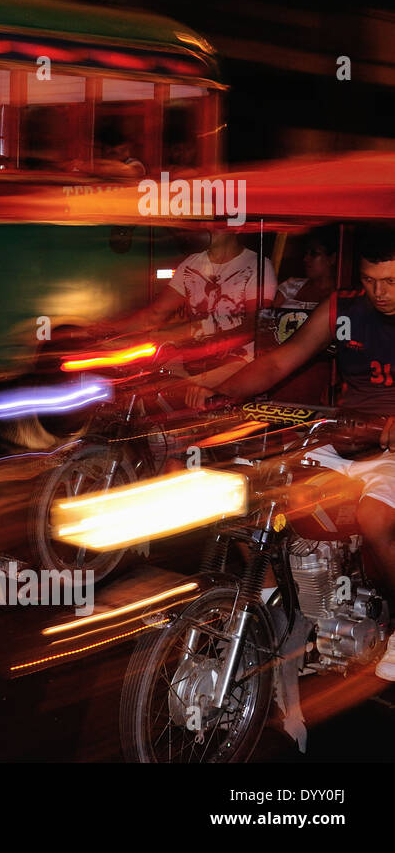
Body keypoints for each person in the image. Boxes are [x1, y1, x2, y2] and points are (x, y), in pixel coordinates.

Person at [188, 227, 395, 681]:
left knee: (375, 517)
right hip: (341, 437)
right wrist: (222, 394)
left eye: (391, 282)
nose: (379, 292)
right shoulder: (344, 307)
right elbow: (281, 360)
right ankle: (277, 610)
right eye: (371, 280)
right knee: (248, 497)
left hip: (391, 449)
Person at [104, 230, 277, 389]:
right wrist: (102, 331)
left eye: (212, 221)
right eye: (202, 221)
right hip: (195, 358)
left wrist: (183, 338)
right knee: (143, 386)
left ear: (234, 226)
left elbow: (253, 325)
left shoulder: (257, 265)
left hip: (240, 361)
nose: (204, 226)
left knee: (186, 394)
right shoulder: (191, 263)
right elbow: (155, 315)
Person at [261, 226, 339, 403]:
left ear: (332, 258)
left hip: (319, 373)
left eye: (314, 254)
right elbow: (264, 324)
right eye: (306, 253)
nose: (306, 259)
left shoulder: (341, 295)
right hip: (280, 368)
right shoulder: (291, 286)